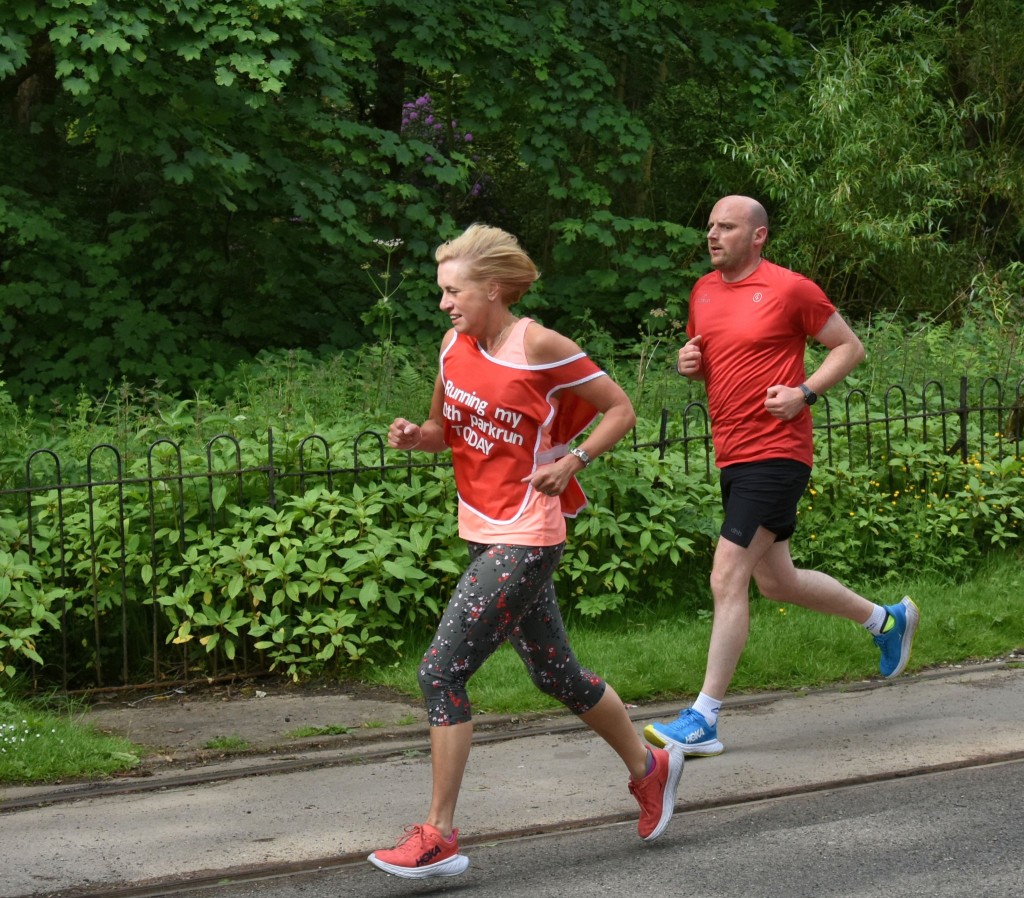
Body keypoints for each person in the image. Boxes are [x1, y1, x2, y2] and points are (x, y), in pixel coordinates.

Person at [368, 223, 684, 879]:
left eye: (453, 291)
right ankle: (649, 766)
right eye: (441, 292)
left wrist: (575, 459)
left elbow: (619, 408)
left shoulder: (538, 345)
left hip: (529, 536)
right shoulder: (452, 347)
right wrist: (412, 437)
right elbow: (441, 433)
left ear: (491, 288)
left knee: (440, 672)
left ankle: (439, 835)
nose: (444, 304)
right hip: (487, 530)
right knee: (555, 674)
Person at [645, 195, 920, 758]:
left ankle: (704, 718)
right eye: (710, 225)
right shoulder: (702, 291)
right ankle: (886, 622)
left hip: (777, 453)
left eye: (727, 227)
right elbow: (711, 361)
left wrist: (805, 391)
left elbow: (850, 347)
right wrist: (688, 363)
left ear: (759, 236)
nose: (713, 235)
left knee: (727, 576)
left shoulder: (791, 289)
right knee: (777, 581)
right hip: (733, 453)